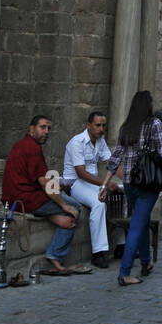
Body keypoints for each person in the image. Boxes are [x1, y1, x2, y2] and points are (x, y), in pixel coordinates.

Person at [99, 91, 162, 287]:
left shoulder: (126, 127)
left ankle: (145, 262)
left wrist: (104, 183)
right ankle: (124, 273)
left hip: (131, 184)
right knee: (136, 224)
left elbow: (116, 157)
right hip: (148, 183)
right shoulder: (154, 124)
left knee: (142, 220)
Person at [1, 115, 85, 277]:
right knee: (74, 207)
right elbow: (45, 182)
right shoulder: (32, 148)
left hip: (15, 197)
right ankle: (55, 256)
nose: (46, 131)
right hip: (25, 199)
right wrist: (63, 206)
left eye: (48, 128)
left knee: (62, 200)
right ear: (31, 129)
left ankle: (55, 217)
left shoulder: (22, 145)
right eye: (42, 127)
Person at [63, 110, 117, 268]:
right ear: (88, 126)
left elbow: (111, 163)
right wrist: (105, 184)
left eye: (103, 126)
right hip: (75, 183)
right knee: (98, 203)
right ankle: (98, 253)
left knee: (120, 195)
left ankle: (121, 245)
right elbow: (81, 173)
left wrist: (127, 179)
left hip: (92, 183)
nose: (101, 129)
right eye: (97, 125)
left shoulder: (101, 141)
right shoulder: (77, 142)